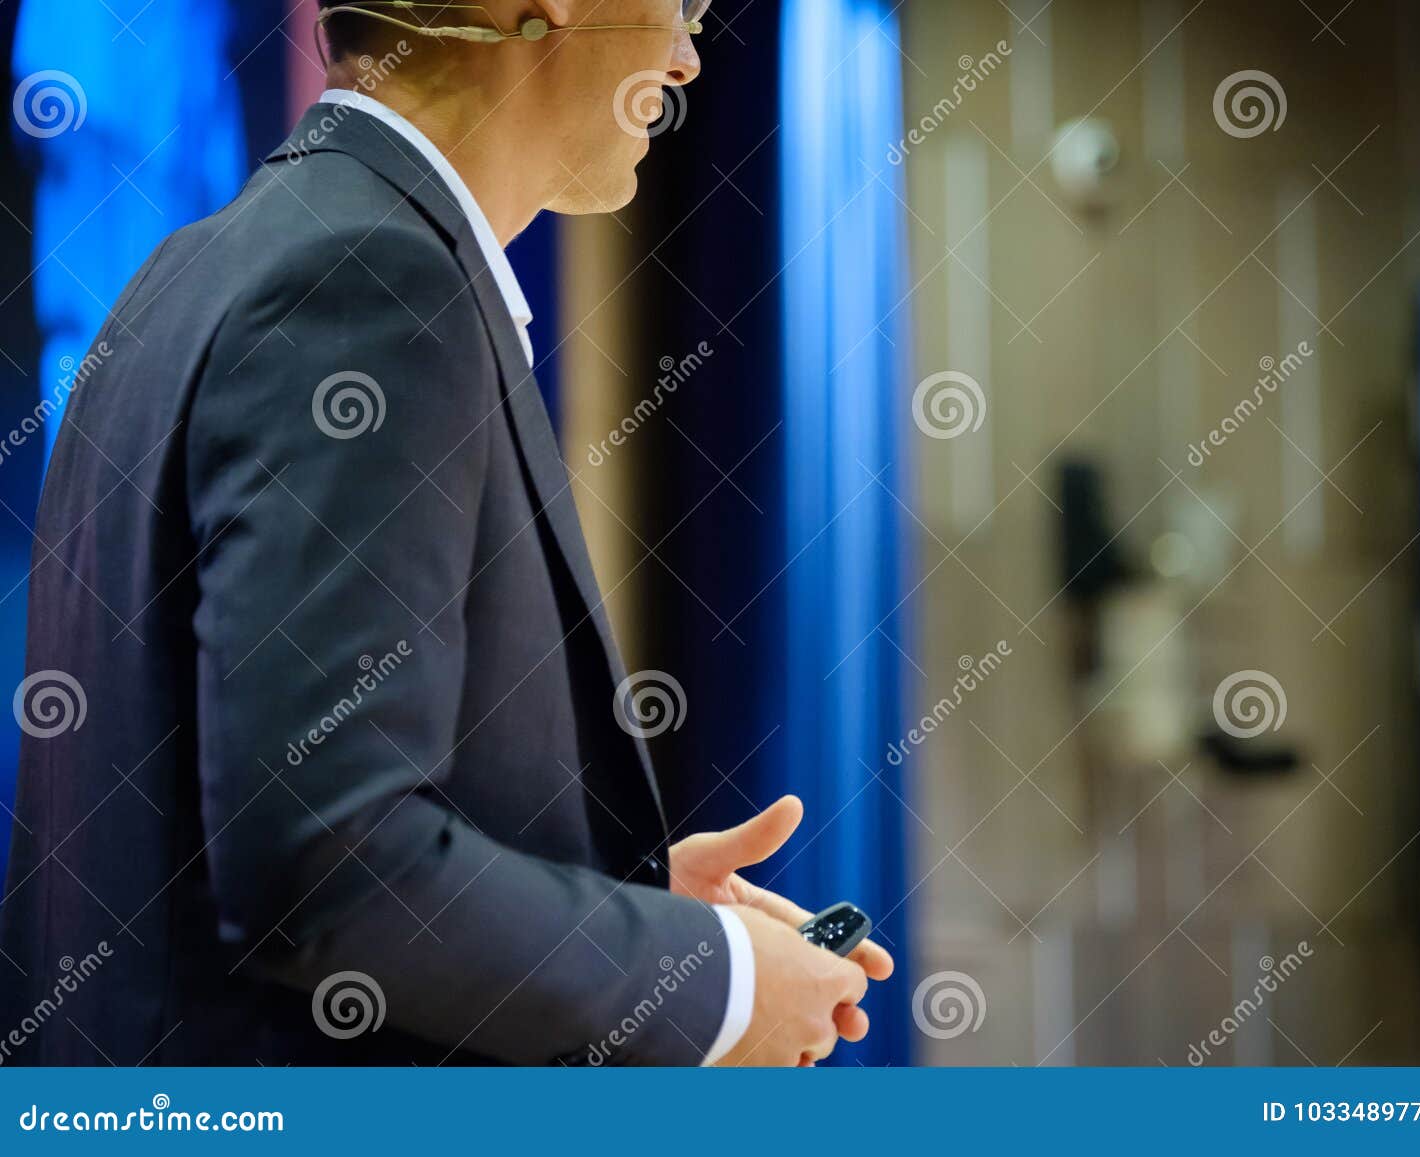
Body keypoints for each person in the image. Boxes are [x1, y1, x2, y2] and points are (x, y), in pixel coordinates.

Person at [0, 0, 891, 1067]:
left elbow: (239, 822)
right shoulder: (370, 281)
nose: (689, 57)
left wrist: (636, 902)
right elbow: (329, 868)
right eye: (681, 6)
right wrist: (717, 984)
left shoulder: (195, 269)